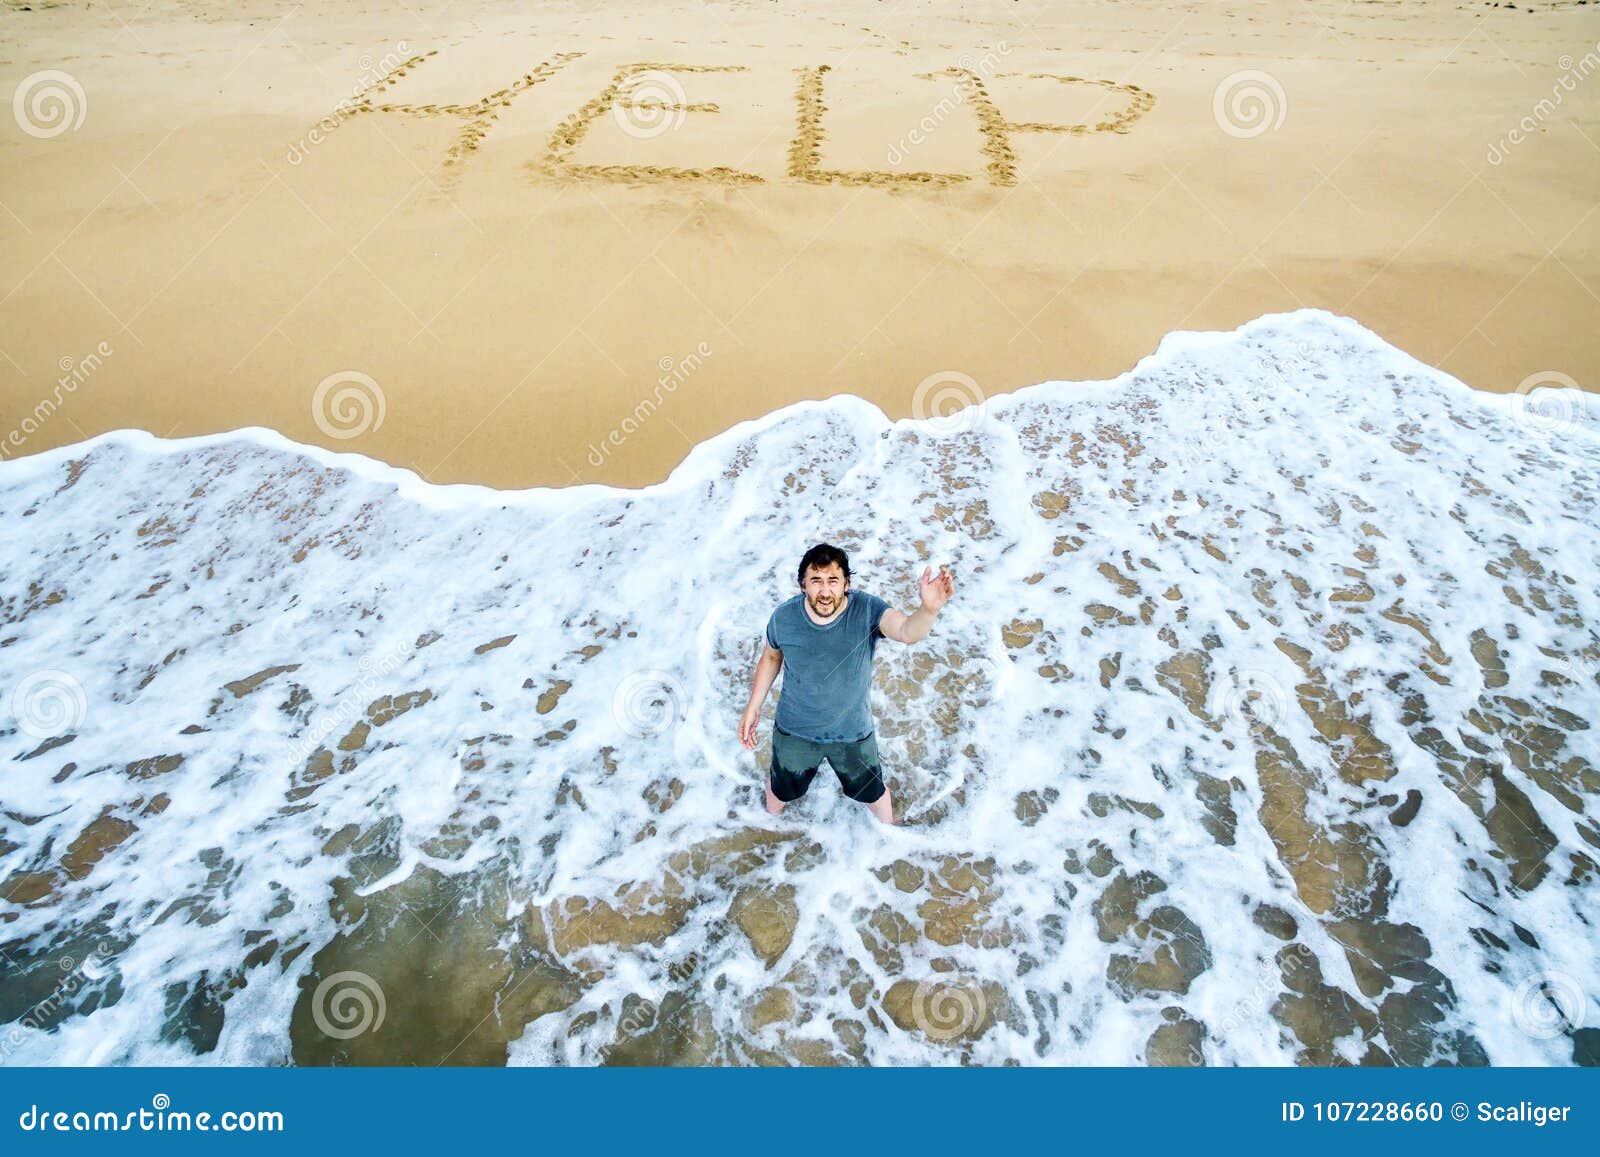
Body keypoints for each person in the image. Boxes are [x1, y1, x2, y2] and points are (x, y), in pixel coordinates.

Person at [738, 543, 955, 824]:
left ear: (846, 584)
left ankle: (891, 837)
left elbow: (905, 631)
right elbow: (770, 656)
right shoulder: (784, 617)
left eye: (833, 581)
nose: (825, 591)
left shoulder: (867, 610)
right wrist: (754, 706)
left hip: (852, 733)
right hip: (795, 730)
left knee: (873, 794)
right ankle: (766, 829)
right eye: (816, 581)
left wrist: (928, 610)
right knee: (780, 791)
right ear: (803, 585)